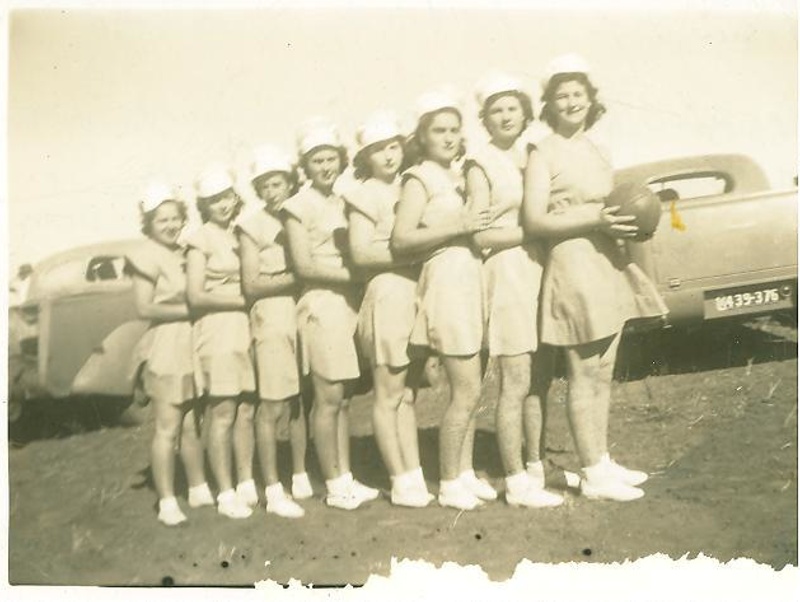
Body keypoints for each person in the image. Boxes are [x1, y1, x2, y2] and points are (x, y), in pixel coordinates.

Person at [522, 54, 667, 501]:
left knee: (603, 369)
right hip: (573, 262)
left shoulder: (597, 148)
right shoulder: (542, 152)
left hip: (605, 259)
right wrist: (595, 218)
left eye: (577, 94)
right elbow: (534, 221)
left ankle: (600, 460)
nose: (570, 102)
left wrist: (621, 225)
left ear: (591, 100)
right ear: (548, 104)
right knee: (584, 372)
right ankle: (591, 473)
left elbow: (616, 207)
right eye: (561, 95)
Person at [391, 90, 496, 511]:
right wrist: (460, 224)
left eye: (455, 129)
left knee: (474, 385)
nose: (449, 137)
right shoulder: (418, 177)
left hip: (470, 278)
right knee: (466, 389)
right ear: (422, 136)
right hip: (447, 279)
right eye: (439, 130)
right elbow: (402, 239)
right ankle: (450, 482)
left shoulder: (456, 175)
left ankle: (465, 473)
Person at [467, 73, 564, 508]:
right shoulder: (479, 163)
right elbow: (479, 236)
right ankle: (515, 481)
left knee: (540, 378)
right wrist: (532, 230)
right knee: (515, 379)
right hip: (505, 271)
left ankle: (536, 466)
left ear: (526, 113)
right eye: (496, 110)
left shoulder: (533, 154)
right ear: (485, 119)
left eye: (513, 107)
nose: (506, 116)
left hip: (539, 267)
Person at [283, 118, 379, 510]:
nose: (325, 167)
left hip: (349, 305)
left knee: (343, 398)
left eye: (331, 159)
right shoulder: (295, 207)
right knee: (326, 397)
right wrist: (354, 273)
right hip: (321, 303)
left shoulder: (347, 199)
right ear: (305, 166)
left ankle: (345, 477)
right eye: (317, 160)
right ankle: (335, 485)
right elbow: (303, 267)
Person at [345, 111, 433, 508]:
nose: (389, 156)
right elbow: (362, 254)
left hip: (414, 293)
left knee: (408, 393)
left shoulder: (410, 186)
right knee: (387, 393)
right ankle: (398, 478)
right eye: (379, 150)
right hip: (386, 295)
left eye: (394, 146)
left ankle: (413, 473)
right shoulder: (362, 196)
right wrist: (410, 254)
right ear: (365, 157)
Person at [126, 182, 213, 526]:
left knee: (191, 423)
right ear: (148, 222)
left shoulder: (182, 252)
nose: (171, 225)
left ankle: (197, 486)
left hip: (190, 343)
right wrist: (192, 311)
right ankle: (165, 501)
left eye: (176, 218)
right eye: (162, 219)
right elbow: (144, 308)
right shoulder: (145, 255)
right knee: (168, 426)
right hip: (166, 344)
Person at [237, 145, 312, 518]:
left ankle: (300, 472)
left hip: (303, 313)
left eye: (277, 183)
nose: (272, 191)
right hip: (273, 317)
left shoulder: (302, 212)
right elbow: (251, 284)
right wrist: (298, 276)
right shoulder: (251, 226)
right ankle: (272, 487)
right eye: (264, 186)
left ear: (289, 182)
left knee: (301, 401)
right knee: (273, 404)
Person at [186, 166, 257, 518]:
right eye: (214, 200)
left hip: (244, 328)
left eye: (226, 197)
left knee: (246, 409)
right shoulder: (200, 239)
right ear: (204, 205)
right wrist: (245, 301)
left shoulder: (239, 233)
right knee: (223, 411)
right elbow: (196, 296)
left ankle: (246, 480)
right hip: (217, 329)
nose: (223, 205)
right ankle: (225, 492)